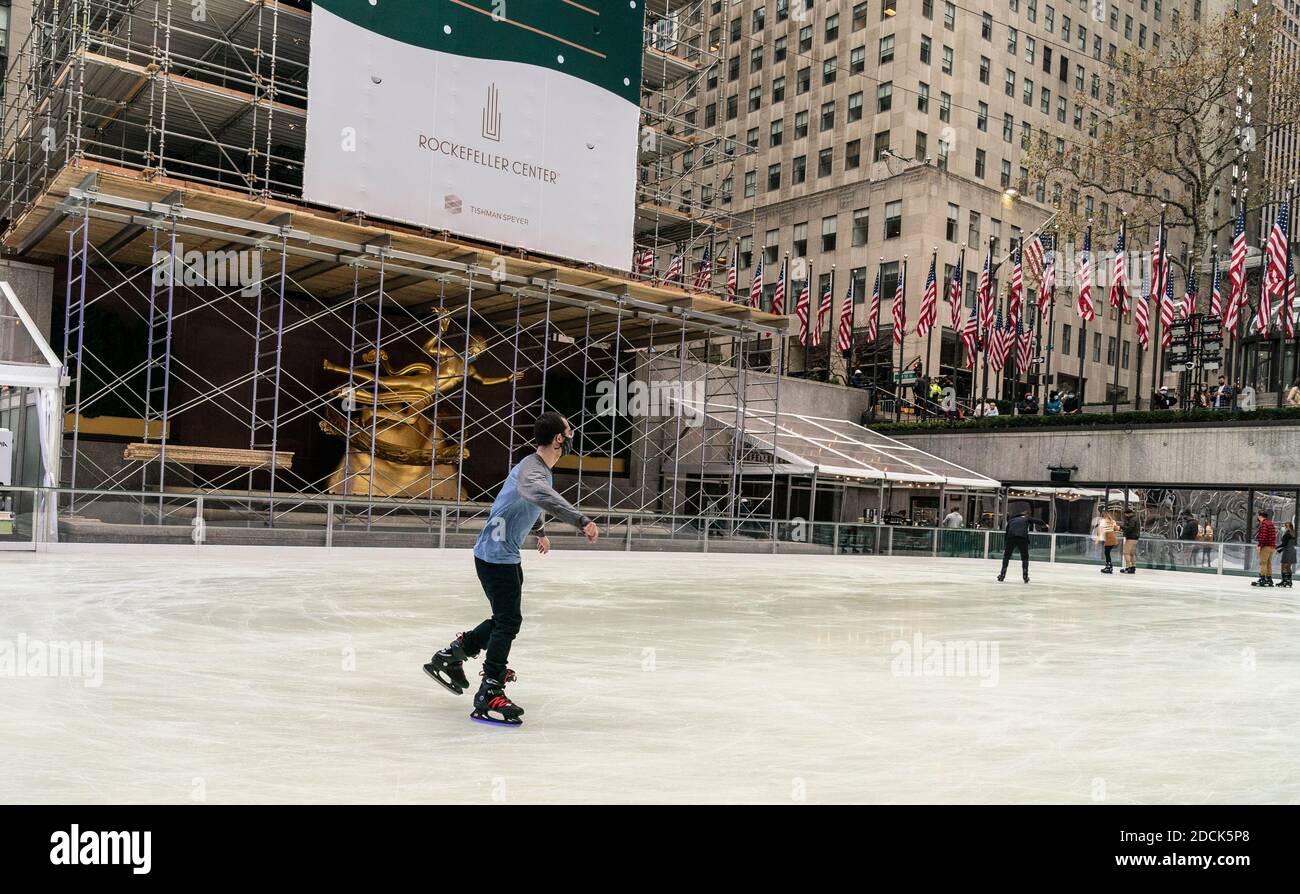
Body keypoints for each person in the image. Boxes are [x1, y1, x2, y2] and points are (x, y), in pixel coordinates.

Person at [424, 412, 600, 725]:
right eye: (569, 430)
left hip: (502, 554)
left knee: (506, 619)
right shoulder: (534, 472)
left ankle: (453, 654)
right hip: (495, 556)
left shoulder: (537, 470)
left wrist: (540, 531)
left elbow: (532, 502)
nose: (572, 435)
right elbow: (541, 495)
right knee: (508, 621)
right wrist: (581, 520)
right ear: (559, 439)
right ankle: (490, 689)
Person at [997, 508, 1042, 583]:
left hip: (1011, 538)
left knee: (1006, 556)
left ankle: (1002, 575)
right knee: (1025, 557)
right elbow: (1039, 521)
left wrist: (1006, 543)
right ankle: (1025, 575)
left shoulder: (1011, 520)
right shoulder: (1026, 518)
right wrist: (1044, 525)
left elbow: (1007, 532)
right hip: (1022, 538)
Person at [1251, 510, 1277, 588]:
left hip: (1265, 546)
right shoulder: (1271, 523)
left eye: (1258, 516)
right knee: (1268, 563)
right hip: (1271, 547)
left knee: (1263, 563)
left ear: (1260, 516)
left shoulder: (1264, 524)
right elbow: (1273, 536)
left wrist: (1259, 546)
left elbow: (1263, 536)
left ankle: (1262, 578)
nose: (1258, 517)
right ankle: (1269, 579)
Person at [1119, 509, 1141, 574]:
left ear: (1128, 513)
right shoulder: (1135, 519)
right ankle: (1133, 567)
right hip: (1135, 539)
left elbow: (1130, 528)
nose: (1125, 516)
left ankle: (1128, 567)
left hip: (1130, 538)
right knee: (1132, 554)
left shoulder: (1132, 519)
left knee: (1126, 553)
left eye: (1125, 514)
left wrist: (1121, 527)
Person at [1278, 522, 1296, 588]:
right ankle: (1289, 580)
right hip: (1292, 551)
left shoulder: (1287, 534)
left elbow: (1284, 544)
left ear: (1288, 527)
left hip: (1287, 551)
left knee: (1283, 566)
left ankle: (1284, 580)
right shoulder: (1293, 533)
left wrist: (1277, 548)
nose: (1284, 527)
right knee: (1288, 567)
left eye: (1285, 526)